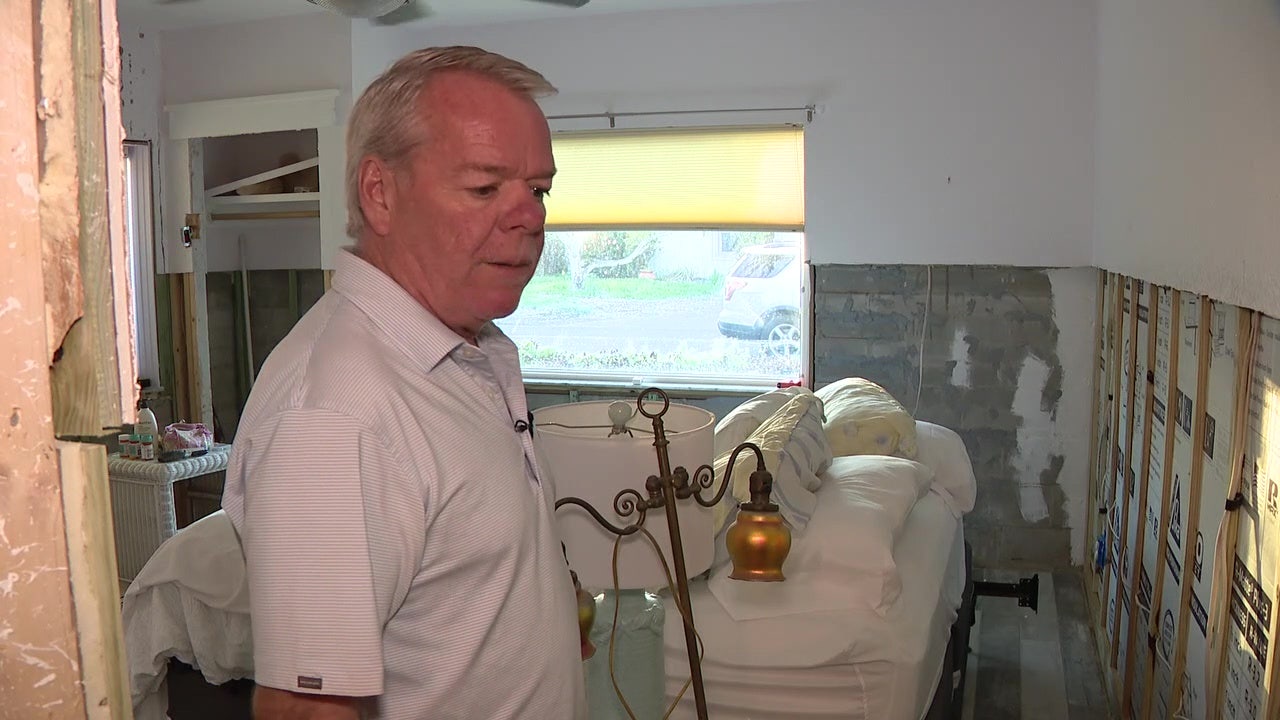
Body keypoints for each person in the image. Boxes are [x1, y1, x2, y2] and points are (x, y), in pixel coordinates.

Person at [221, 46, 587, 719]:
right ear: (380, 194)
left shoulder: (468, 348)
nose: (530, 217)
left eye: (538, 190)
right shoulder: (335, 416)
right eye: (485, 188)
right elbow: (307, 709)